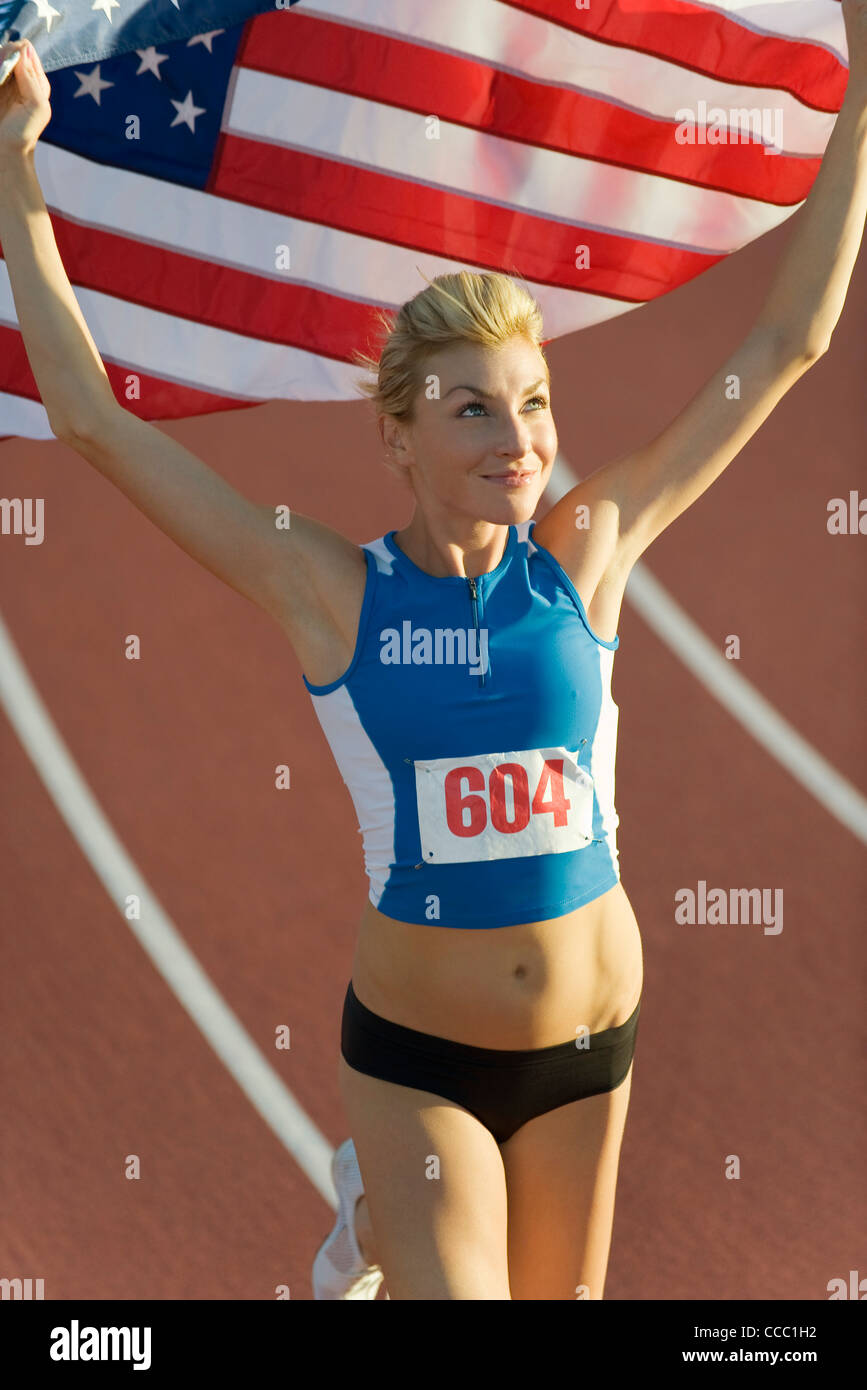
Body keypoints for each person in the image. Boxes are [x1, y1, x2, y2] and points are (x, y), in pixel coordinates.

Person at [1, 7, 865, 1300]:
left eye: (532, 403)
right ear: (397, 436)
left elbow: (785, 343)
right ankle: (385, 1198)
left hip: (592, 1046)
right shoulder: (330, 593)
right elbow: (94, 426)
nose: (516, 437)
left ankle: (383, 1241)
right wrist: (17, 167)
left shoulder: (592, 551)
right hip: (420, 1057)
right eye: (473, 408)